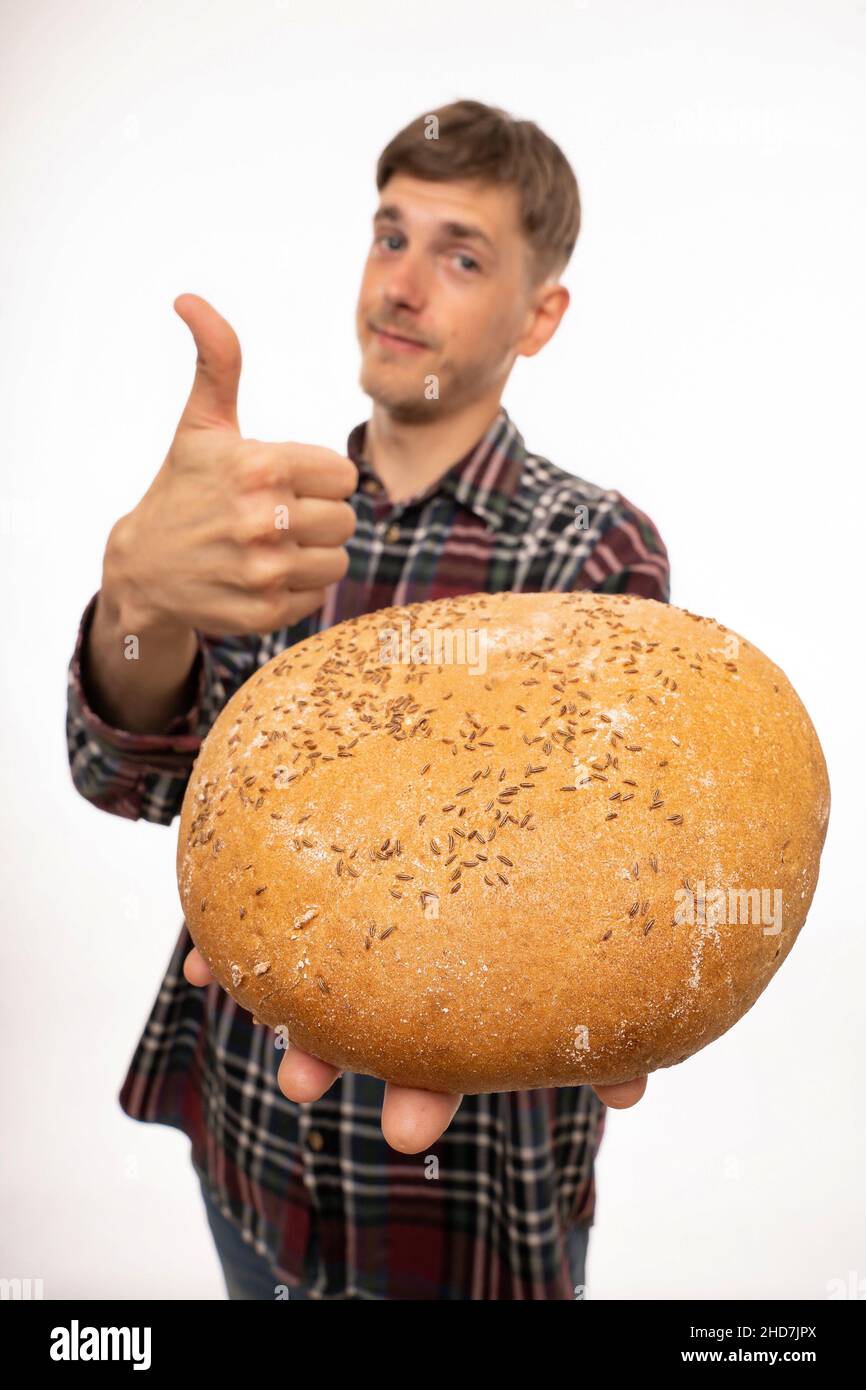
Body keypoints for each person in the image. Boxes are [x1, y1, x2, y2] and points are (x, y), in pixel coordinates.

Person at [66, 98, 669, 1301]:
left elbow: (606, 879)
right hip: (252, 1146)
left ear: (538, 314)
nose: (400, 286)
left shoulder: (592, 554)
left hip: (461, 1203)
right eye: (388, 236)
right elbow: (130, 775)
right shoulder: (261, 521)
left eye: (460, 255)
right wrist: (139, 590)